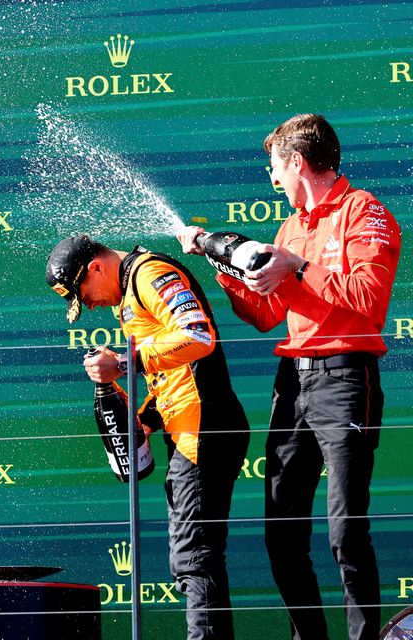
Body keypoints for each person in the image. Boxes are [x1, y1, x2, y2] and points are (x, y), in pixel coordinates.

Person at [178, 114, 401, 640]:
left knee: (345, 531)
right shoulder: (292, 225)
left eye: (274, 166)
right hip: (292, 382)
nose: (271, 177)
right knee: (281, 531)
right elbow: (264, 314)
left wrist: (296, 267)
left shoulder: (363, 210)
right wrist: (223, 266)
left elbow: (368, 302)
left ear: (296, 162)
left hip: (346, 376)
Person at [47, 235, 250, 640]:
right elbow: (173, 377)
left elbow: (198, 338)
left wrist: (124, 361)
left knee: (194, 556)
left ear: (96, 268)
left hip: (204, 427)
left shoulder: (151, 274)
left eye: (83, 295)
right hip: (188, 426)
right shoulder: (130, 288)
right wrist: (145, 420)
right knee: (192, 556)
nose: (88, 306)